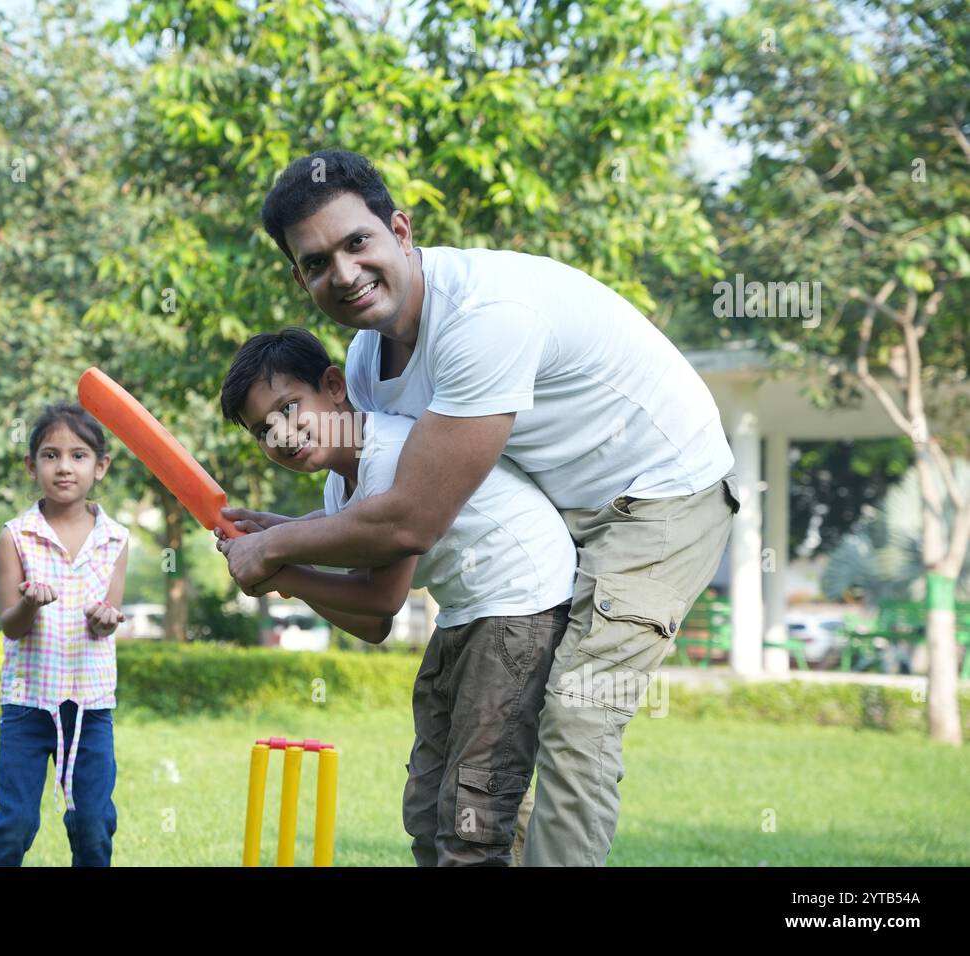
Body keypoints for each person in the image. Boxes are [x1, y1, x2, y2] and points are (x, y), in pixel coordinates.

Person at [218, 149, 740, 867]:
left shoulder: (483, 317)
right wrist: (285, 538)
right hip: (554, 511)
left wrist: (278, 552)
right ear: (300, 276)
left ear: (400, 229)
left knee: (580, 716)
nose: (342, 273)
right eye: (315, 263)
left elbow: (411, 520)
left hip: (659, 495)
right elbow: (381, 520)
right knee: (478, 784)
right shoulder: (367, 363)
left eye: (357, 242)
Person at [217, 327, 575, 866]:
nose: (282, 434)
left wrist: (279, 565)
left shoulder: (385, 454)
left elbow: (382, 600)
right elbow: (372, 626)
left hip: (519, 603)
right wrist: (280, 552)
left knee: (474, 807)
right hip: (467, 611)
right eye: (263, 429)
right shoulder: (343, 484)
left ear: (334, 386)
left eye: (290, 408)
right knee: (427, 805)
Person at [0, 402, 130, 867]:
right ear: (32, 465)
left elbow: (107, 618)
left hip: (90, 707)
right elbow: (10, 624)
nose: (64, 466)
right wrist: (28, 603)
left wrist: (104, 621)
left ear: (100, 466)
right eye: (50, 455)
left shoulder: (116, 539)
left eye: (79, 455)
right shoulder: (16, 536)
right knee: (16, 822)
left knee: (92, 823)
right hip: (28, 705)